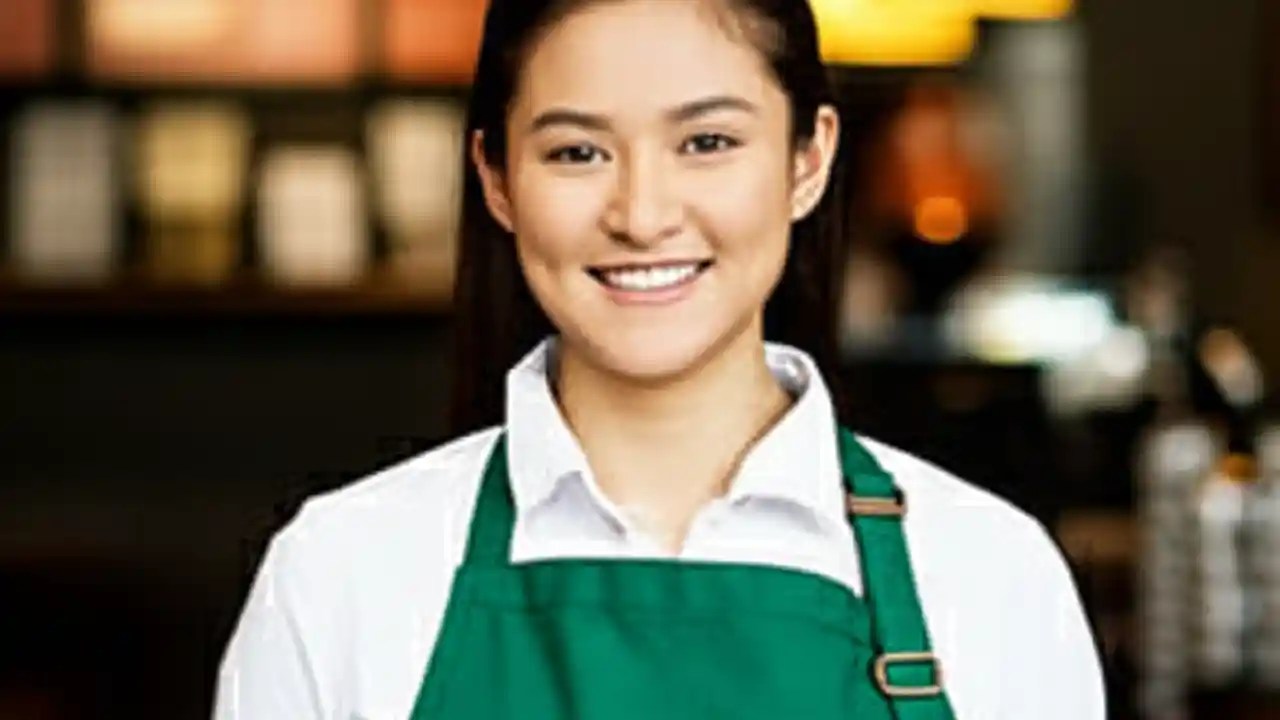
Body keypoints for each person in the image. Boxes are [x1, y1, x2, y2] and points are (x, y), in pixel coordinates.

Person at [214, 0, 1106, 717]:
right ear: (496, 178)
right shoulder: (342, 574)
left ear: (809, 159)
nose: (642, 214)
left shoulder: (992, 575)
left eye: (707, 143)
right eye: (577, 152)